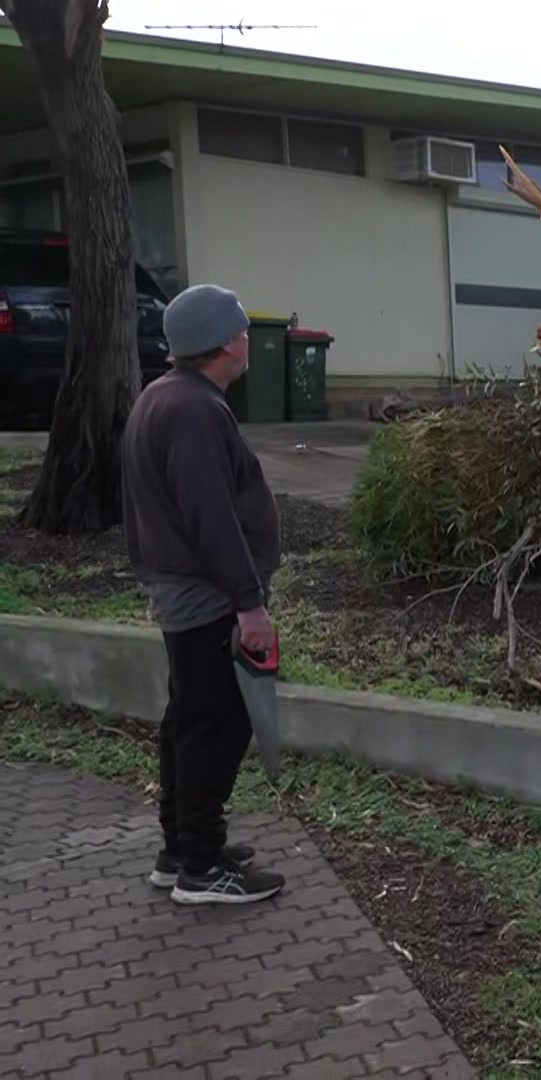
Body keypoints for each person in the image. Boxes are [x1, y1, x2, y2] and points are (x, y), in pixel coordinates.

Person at [122, 283, 286, 906]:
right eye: (243, 331)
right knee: (217, 722)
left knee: (188, 718)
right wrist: (250, 604)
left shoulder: (165, 397)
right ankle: (202, 866)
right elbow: (210, 515)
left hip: (184, 589)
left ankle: (182, 849)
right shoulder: (192, 410)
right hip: (208, 596)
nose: (248, 339)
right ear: (223, 344)